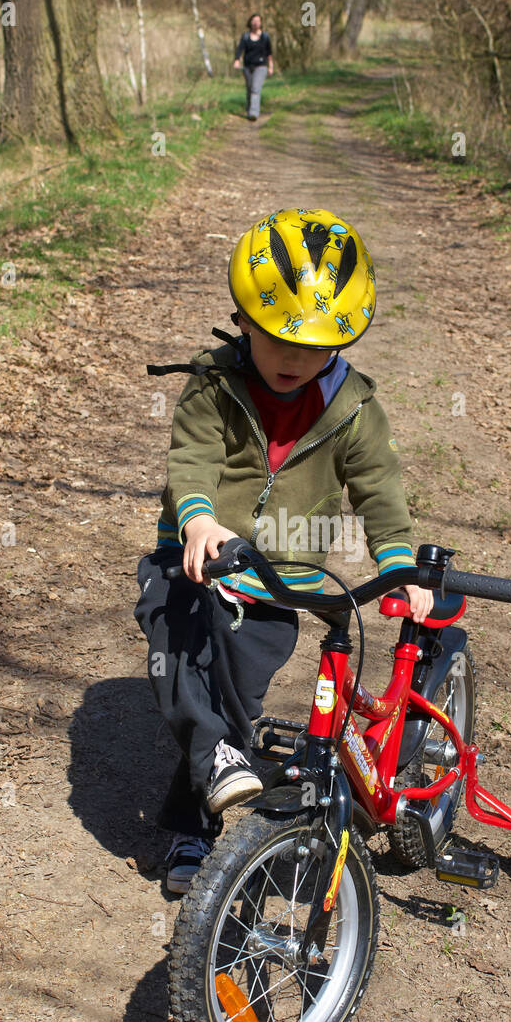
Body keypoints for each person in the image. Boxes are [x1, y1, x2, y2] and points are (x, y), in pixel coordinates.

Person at [134, 208, 434, 893]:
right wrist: (200, 521)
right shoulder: (212, 384)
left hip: (280, 582)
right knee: (182, 660)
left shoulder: (353, 408)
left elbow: (380, 491)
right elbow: (192, 460)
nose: (295, 358)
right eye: (278, 339)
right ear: (242, 318)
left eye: (317, 345)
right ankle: (193, 832)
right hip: (197, 560)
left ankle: (217, 766)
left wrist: (397, 563)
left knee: (235, 701)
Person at [233, 13, 273, 121]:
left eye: (258, 21)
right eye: (254, 21)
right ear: (250, 22)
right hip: (247, 66)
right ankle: (249, 108)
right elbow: (240, 49)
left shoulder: (265, 37)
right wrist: (237, 60)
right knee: (249, 88)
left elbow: (269, 53)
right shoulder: (245, 36)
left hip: (261, 66)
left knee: (255, 88)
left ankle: (253, 113)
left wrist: (270, 66)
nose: (256, 23)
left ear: (260, 23)